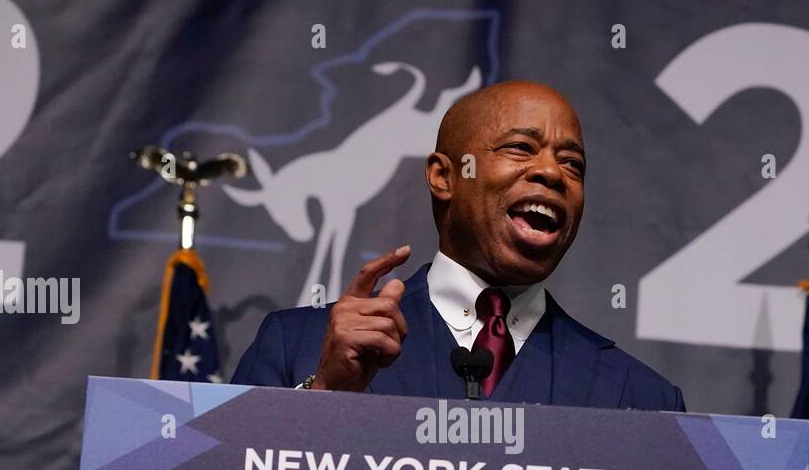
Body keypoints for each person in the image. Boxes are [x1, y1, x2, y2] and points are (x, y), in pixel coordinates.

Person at [231, 80, 684, 411]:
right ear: (444, 176)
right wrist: (326, 393)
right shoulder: (296, 345)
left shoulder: (640, 396)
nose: (552, 173)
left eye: (572, 163)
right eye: (521, 149)